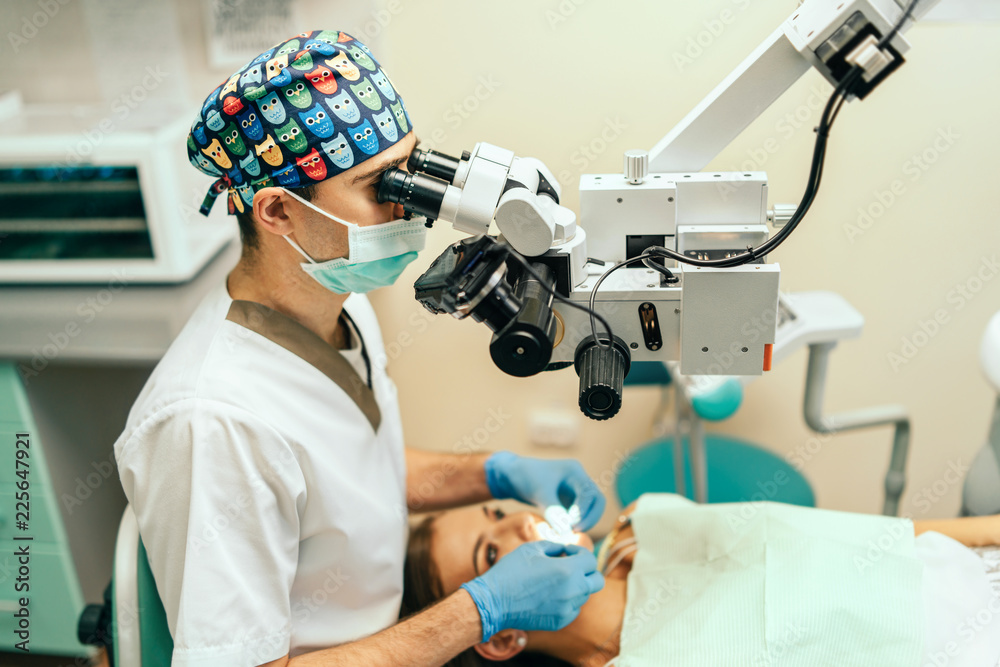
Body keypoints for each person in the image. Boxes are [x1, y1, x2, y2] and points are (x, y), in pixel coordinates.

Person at [114, 30, 606, 667]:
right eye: (382, 186)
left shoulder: (339, 307)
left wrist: (494, 471)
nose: (414, 208)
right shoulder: (212, 423)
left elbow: (351, 479)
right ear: (277, 211)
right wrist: (477, 611)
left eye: (413, 169)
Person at [402, 499, 1000, 667]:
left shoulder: (643, 526)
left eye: (496, 511)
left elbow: (873, 534)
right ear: (499, 637)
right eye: (491, 553)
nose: (516, 523)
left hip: (964, 567)